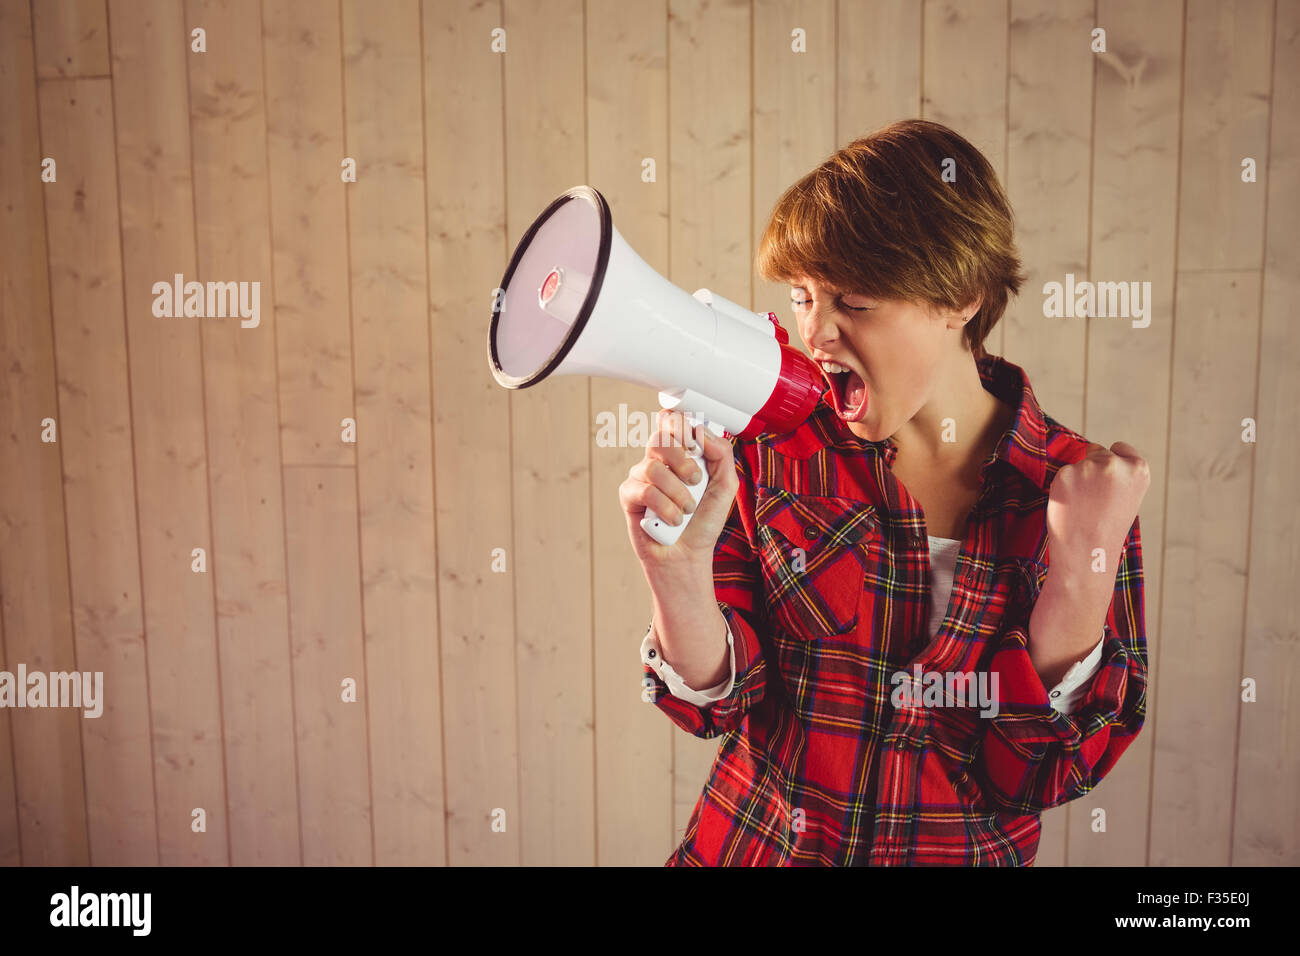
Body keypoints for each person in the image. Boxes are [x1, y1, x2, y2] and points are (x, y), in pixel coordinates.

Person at [619, 119, 1151, 866]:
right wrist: (673, 570)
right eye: (804, 297)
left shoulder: (1082, 492)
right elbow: (716, 707)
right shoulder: (772, 447)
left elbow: (1041, 773)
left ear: (961, 296)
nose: (817, 333)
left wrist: (1077, 579)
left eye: (855, 302)